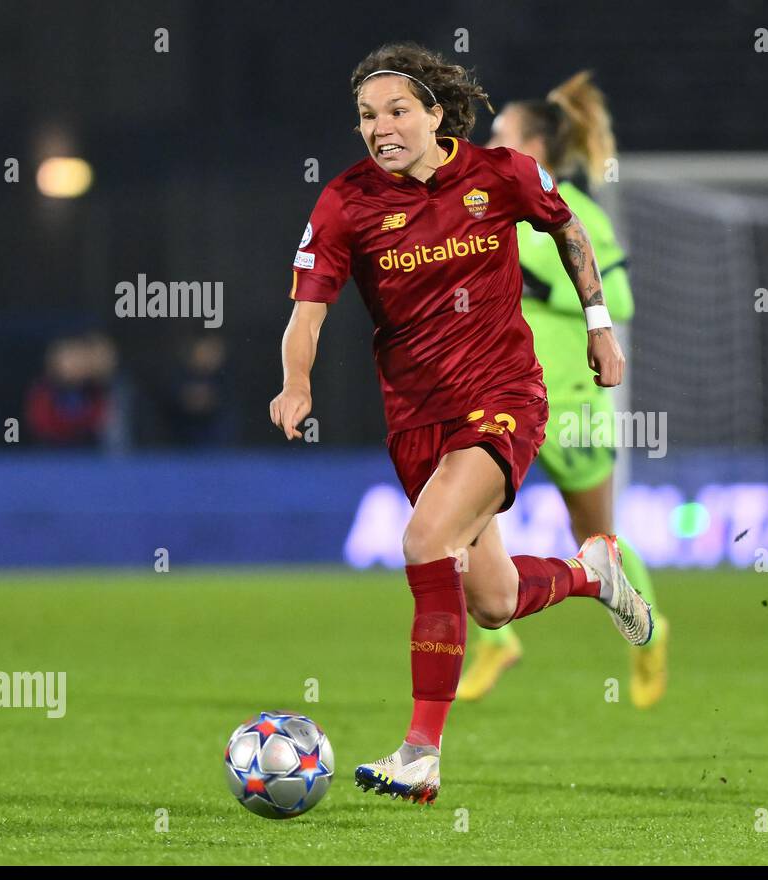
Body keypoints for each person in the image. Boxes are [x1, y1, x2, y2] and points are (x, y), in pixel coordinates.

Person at [269, 43, 656, 807]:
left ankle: (421, 753)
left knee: (422, 542)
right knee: (493, 600)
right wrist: (294, 381)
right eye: (366, 116)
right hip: (416, 417)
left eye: (396, 111)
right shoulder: (345, 203)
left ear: (435, 113)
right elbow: (305, 312)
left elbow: (569, 230)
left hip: (504, 394)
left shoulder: (501, 173)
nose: (379, 128)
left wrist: (600, 327)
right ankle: (591, 573)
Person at [454, 70, 668, 708]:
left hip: (570, 402)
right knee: (459, 522)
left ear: (536, 148)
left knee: (597, 537)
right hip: (501, 397)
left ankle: (649, 638)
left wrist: (540, 286)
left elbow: (621, 296)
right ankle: (496, 642)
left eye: (502, 135)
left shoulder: (574, 215)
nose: (491, 145)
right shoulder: (489, 206)